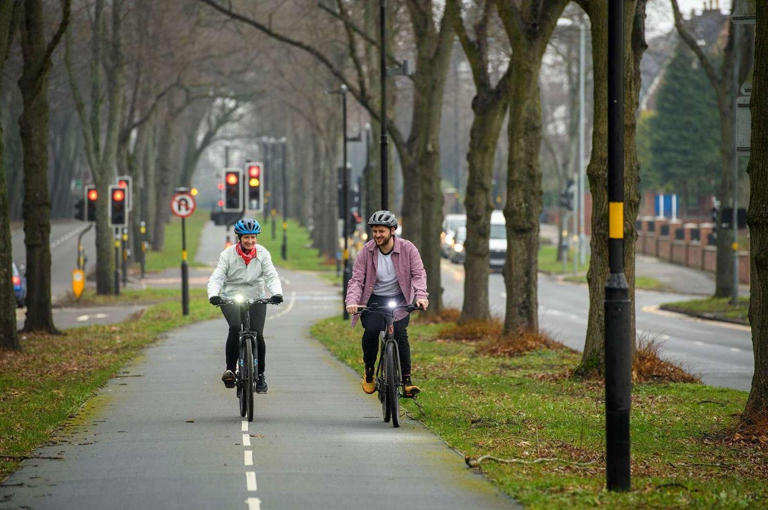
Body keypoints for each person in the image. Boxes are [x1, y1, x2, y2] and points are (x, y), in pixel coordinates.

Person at [345, 210, 429, 398]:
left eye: (381, 231)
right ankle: (369, 372)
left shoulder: (408, 249)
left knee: (400, 333)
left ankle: (407, 380)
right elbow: (357, 280)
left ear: (392, 230)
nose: (377, 235)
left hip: (399, 299)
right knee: (372, 330)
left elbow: (418, 274)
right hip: (374, 300)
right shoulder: (367, 252)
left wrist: (421, 296)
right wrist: (352, 301)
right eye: (374, 231)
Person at [208, 218, 283, 392]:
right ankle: (230, 370)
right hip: (231, 297)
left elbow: (271, 276)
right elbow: (217, 277)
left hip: (256, 297)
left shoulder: (263, 253)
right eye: (246, 238)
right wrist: (214, 295)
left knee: (258, 334)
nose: (250, 241)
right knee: (235, 327)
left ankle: (261, 375)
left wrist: (277, 293)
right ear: (239, 238)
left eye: (253, 237)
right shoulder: (227, 255)